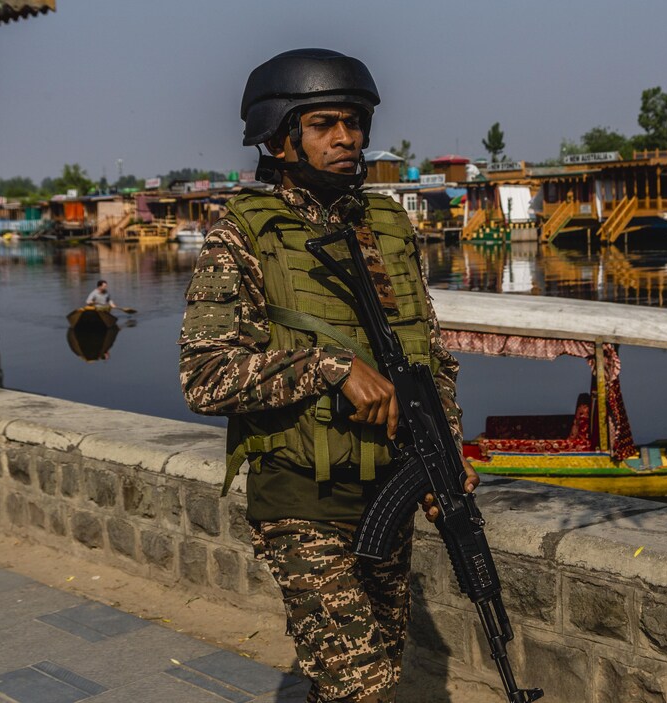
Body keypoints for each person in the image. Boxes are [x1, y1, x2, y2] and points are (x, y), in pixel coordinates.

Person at [179, 49, 476, 702]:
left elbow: (432, 360)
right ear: (280, 137)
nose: (348, 138)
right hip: (301, 499)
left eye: (354, 121)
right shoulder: (242, 237)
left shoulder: (390, 230)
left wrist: (445, 451)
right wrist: (329, 367)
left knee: (369, 673)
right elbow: (204, 376)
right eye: (325, 124)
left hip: (387, 489)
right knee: (360, 683)